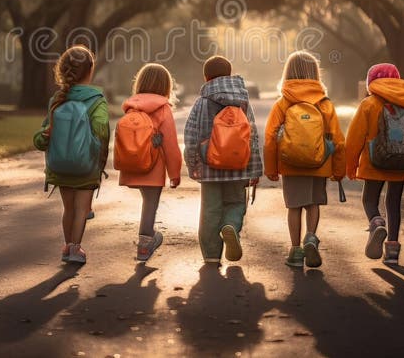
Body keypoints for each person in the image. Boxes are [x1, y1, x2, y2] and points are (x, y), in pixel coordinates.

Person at [264, 50, 346, 268]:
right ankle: (310, 237)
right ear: (315, 74)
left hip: (290, 164)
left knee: (294, 206)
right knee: (312, 204)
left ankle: (295, 251)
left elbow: (270, 137)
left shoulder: (283, 103)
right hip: (319, 164)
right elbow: (338, 140)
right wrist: (339, 171)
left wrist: (271, 168)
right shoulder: (324, 104)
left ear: (288, 72)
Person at [33, 45, 109, 265]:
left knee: (68, 208)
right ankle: (76, 248)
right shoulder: (96, 99)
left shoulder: (57, 98)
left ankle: (67, 246)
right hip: (85, 165)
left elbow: (46, 130)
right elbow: (102, 129)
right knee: (81, 209)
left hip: (60, 165)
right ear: (90, 71)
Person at [184, 55, 263, 266]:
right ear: (229, 75)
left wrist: (193, 165)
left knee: (210, 210)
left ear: (206, 78)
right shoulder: (243, 102)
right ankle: (230, 225)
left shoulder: (201, 102)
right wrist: (255, 169)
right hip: (239, 166)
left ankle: (211, 255)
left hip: (209, 167)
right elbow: (252, 136)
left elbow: (191, 135)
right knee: (236, 202)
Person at [344, 63, 404, 265]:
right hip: (403, 162)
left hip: (374, 162)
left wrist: (351, 165)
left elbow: (354, 138)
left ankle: (376, 222)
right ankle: (393, 250)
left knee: (369, 200)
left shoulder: (369, 104)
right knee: (394, 203)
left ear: (371, 82)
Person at [116, 63, 183, 261]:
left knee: (147, 200)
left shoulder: (131, 106)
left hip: (131, 164)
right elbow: (170, 144)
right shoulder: (162, 108)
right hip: (153, 167)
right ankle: (145, 245)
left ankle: (150, 238)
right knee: (150, 203)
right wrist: (175, 173)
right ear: (166, 86)